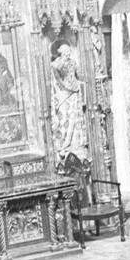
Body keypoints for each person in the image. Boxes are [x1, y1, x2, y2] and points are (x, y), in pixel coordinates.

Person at [50, 39, 89, 168]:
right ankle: (63, 147)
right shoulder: (56, 64)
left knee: (74, 120)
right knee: (64, 121)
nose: (68, 53)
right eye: (65, 51)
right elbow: (59, 81)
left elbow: (80, 75)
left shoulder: (73, 62)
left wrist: (80, 85)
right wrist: (73, 87)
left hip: (74, 96)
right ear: (60, 52)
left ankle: (76, 146)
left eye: (69, 51)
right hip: (63, 97)